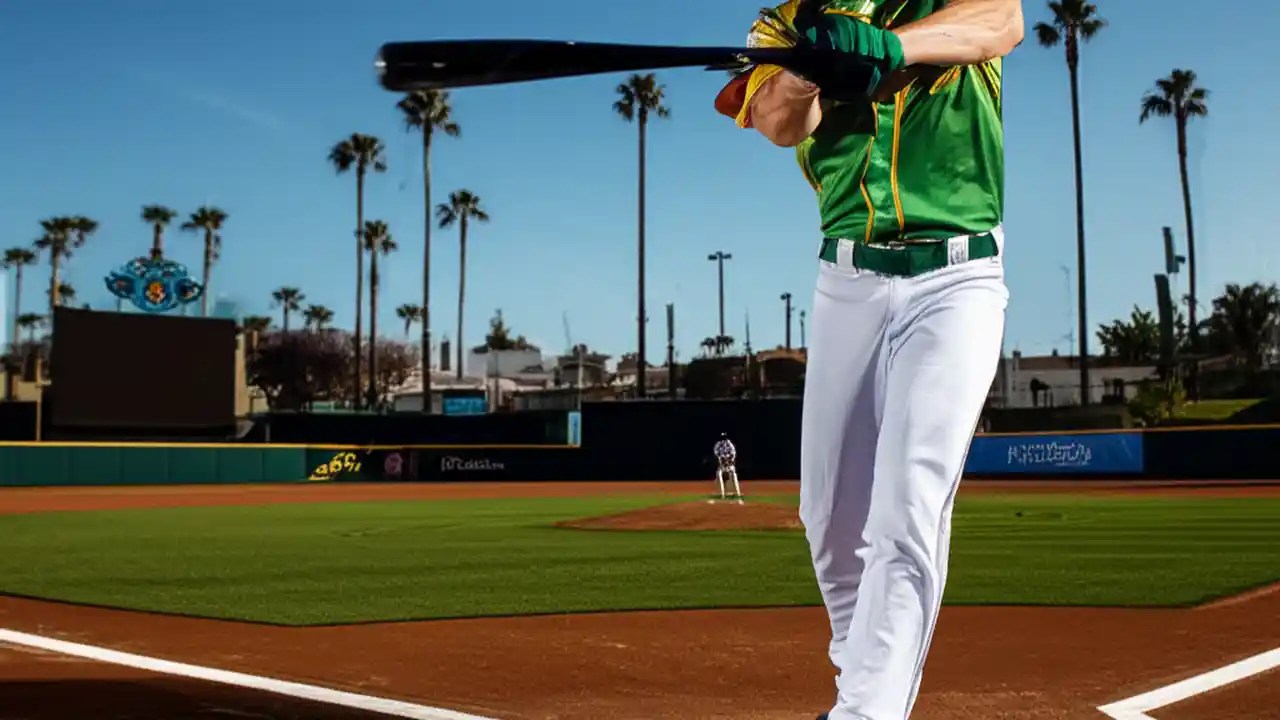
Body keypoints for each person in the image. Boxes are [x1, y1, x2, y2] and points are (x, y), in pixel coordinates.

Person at [714, 1, 1024, 719]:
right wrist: (806, 70)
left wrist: (889, 47)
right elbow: (776, 120)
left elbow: (1001, 22)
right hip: (846, 279)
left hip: (956, 275)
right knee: (827, 519)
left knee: (907, 505)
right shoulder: (785, 21)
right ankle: (861, 686)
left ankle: (865, 712)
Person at [712, 433, 742, 500]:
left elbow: (733, 453)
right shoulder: (718, 445)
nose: (723, 439)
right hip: (722, 464)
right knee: (719, 475)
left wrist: (729, 461)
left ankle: (738, 492)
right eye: (722, 438)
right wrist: (722, 460)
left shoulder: (729, 444)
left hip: (729, 464)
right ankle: (722, 493)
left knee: (734, 475)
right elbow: (716, 454)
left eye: (724, 437)